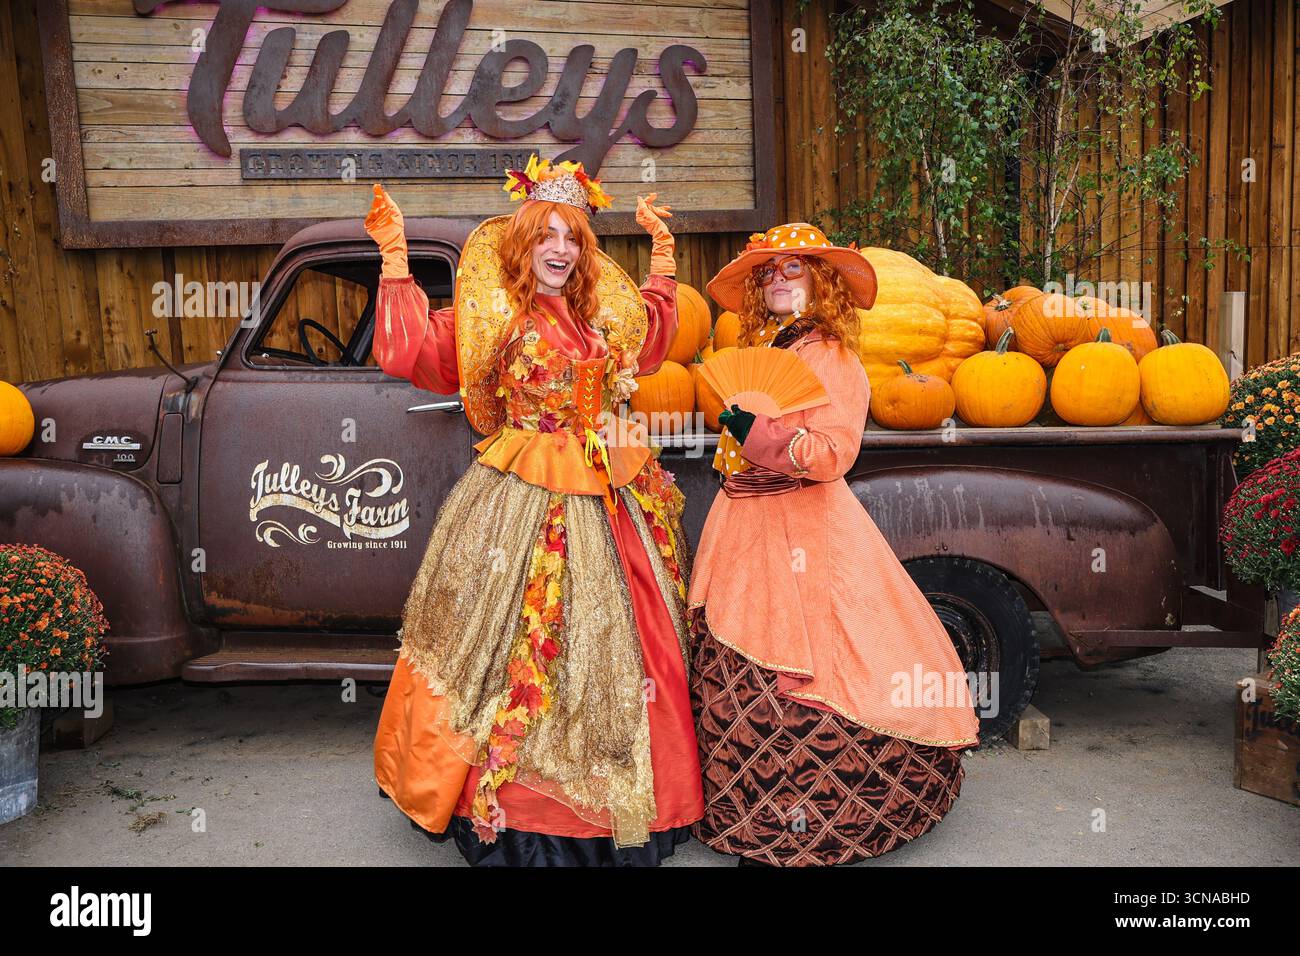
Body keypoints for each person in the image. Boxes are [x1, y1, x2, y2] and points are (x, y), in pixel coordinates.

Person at [368, 155, 703, 866]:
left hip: (608, 495)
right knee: (509, 650)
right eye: (546, 235)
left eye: (572, 237)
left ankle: (631, 799)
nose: (559, 249)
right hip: (521, 497)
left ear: (583, 250)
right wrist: (395, 262)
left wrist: (663, 262)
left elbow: (646, 342)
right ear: (523, 244)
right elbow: (412, 352)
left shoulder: (593, 318)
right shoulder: (492, 314)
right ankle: (516, 813)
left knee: (627, 649)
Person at [687, 223, 980, 866]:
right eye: (769, 271)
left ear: (822, 282)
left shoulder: (834, 356)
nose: (780, 278)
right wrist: (737, 429)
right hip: (742, 526)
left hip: (807, 527)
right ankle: (750, 814)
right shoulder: (765, 344)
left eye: (795, 267)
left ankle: (806, 825)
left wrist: (752, 429)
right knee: (733, 657)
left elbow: (831, 454)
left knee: (819, 665)